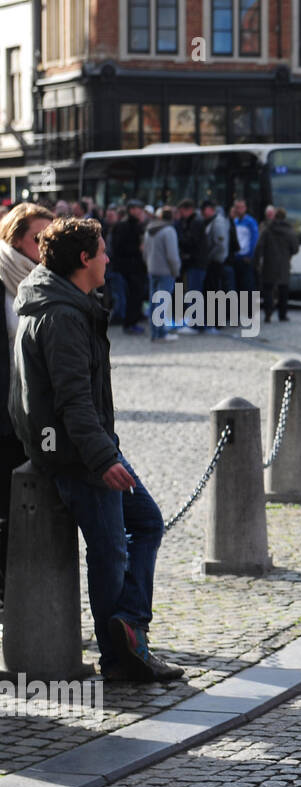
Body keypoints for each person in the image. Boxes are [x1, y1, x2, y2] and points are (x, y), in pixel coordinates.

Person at [8, 217, 184, 681]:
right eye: (102, 251)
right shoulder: (62, 314)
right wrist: (103, 459)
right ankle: (121, 657)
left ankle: (128, 625)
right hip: (79, 455)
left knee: (145, 523)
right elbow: (72, 400)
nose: (109, 258)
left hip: (89, 445)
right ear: (84, 260)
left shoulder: (69, 301)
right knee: (110, 552)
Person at [0, 203, 54, 604]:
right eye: (38, 237)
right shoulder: (5, 276)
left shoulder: (49, 281)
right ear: (15, 238)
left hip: (32, 415)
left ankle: (27, 594)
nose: (44, 245)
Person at [109, 200, 148, 334]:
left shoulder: (136, 225)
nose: (140, 212)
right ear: (131, 210)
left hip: (134, 266)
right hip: (129, 267)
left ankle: (133, 321)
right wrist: (138, 249)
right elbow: (119, 247)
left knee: (136, 295)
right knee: (131, 295)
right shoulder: (124, 226)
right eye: (138, 209)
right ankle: (130, 322)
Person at [254, 207, 298, 323]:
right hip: (284, 264)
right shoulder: (289, 230)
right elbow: (295, 248)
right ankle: (282, 314)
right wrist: (288, 254)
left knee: (268, 288)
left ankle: (268, 313)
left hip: (269, 263)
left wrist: (258, 260)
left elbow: (259, 246)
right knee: (283, 289)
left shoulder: (267, 229)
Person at [143, 205, 180, 342]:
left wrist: (148, 265)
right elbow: (172, 255)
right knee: (162, 302)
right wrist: (175, 270)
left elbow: (145, 252)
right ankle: (162, 333)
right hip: (166, 270)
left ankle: (154, 332)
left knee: (153, 302)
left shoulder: (149, 230)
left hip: (152, 269)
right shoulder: (169, 231)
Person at [228, 198, 259, 295]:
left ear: (245, 208)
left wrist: (250, 255)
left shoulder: (250, 222)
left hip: (245, 258)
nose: (239, 210)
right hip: (236, 257)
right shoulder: (234, 221)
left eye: (241, 207)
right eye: (237, 207)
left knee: (247, 287)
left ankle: (250, 309)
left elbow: (254, 240)